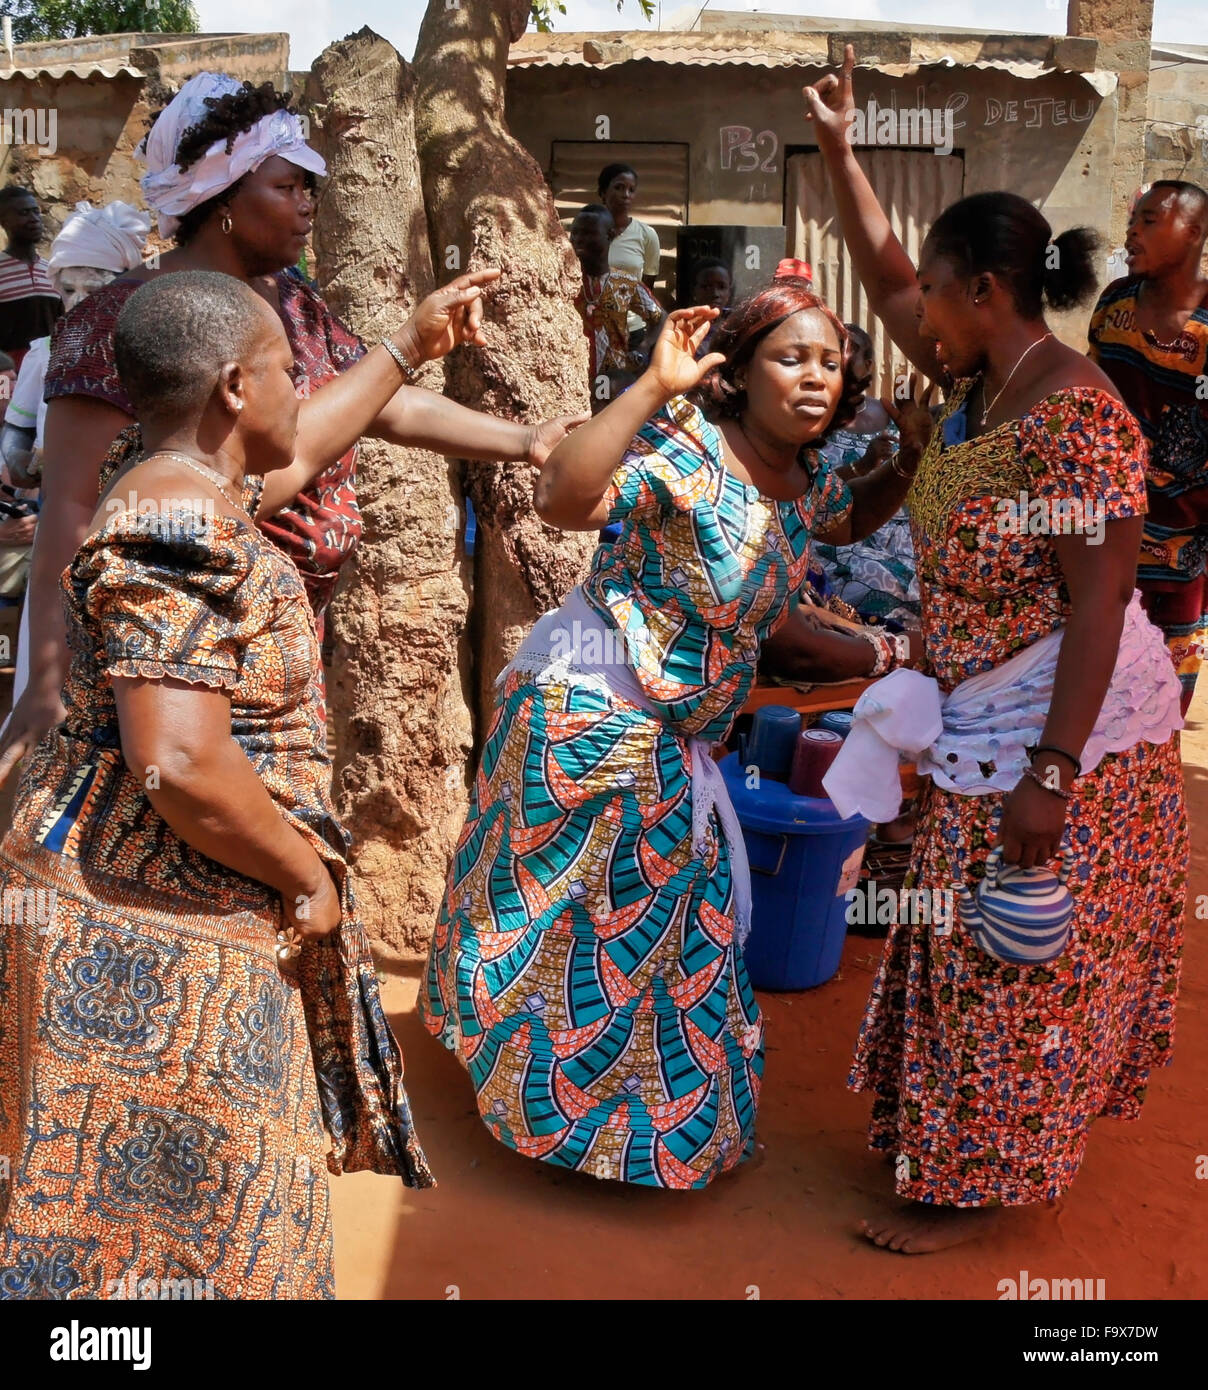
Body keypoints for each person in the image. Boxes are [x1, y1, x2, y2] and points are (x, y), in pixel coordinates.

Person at [802, 46, 1188, 1253]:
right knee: (966, 949)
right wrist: (838, 154)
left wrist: (1052, 772)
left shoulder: (1072, 417)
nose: (908, 310)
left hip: (1069, 732)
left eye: (929, 291)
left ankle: (980, 1195)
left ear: (979, 291)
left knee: (1011, 963)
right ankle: (959, 1155)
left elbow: (1097, 600)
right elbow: (878, 266)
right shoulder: (976, 386)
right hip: (984, 719)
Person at [420, 281, 924, 1188]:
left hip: (674, 737)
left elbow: (840, 522)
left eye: (830, 361)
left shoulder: (806, 479)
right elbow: (564, 498)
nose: (815, 377)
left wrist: (908, 463)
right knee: (568, 941)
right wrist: (653, 387)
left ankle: (653, 1139)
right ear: (738, 371)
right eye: (789, 357)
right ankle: (559, 1130)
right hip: (592, 717)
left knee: (669, 940)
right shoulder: (687, 449)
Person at [0, 271, 432, 1300]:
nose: (302, 389)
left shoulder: (177, 487)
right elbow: (183, 761)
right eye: (292, 369)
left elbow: (281, 470)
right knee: (187, 1209)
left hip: (141, 896)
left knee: (136, 1214)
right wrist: (307, 876)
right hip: (158, 924)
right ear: (237, 386)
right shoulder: (171, 527)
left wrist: (409, 345)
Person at [0, 72, 584, 782]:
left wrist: (526, 441)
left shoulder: (293, 304)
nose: (309, 204)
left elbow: (381, 401)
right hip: (172, 649)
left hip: (280, 644)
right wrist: (47, 682)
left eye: (311, 186)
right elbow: (71, 507)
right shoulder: (126, 322)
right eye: (287, 187)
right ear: (219, 200)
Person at [0, 202, 151, 715]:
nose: (80, 302)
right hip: (59, 540)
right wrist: (30, 463)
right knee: (51, 665)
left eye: (96, 288)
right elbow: (16, 446)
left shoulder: (149, 357)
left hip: (131, 539)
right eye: (68, 290)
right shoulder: (43, 355)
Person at [1087, 181, 1208, 714]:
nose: (1133, 229)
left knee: (1165, 686)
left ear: (1195, 233)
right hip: (1104, 529)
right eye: (1133, 217)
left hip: (1183, 545)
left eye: (1151, 219)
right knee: (1092, 672)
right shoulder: (1114, 303)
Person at [811, 324, 918, 627]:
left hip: (895, 527)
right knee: (880, 582)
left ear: (868, 366)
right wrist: (863, 465)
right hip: (841, 529)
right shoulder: (813, 418)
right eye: (836, 347)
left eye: (851, 348)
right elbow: (812, 491)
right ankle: (886, 653)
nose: (842, 355)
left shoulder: (892, 414)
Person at [569, 204, 662, 405]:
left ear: (610, 235)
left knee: (602, 425)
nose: (578, 240)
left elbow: (660, 318)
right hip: (570, 378)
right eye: (574, 233)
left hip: (609, 380)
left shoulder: (625, 283)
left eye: (588, 233)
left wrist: (644, 348)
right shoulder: (562, 281)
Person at [0, 187, 61, 371]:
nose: (34, 219)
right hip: (7, 377)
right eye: (23, 213)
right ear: (4, 221)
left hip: (47, 375)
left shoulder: (52, 271)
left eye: (36, 212)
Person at [599, 162, 662, 340]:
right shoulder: (589, 231)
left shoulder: (647, 235)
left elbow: (647, 286)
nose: (625, 195)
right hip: (593, 327)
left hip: (632, 331)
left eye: (631, 190)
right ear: (603, 192)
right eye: (619, 188)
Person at [688, 258, 733, 357]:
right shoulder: (684, 328)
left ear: (729, 291)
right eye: (706, 287)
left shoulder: (737, 324)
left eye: (721, 287)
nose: (715, 294)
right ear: (694, 291)